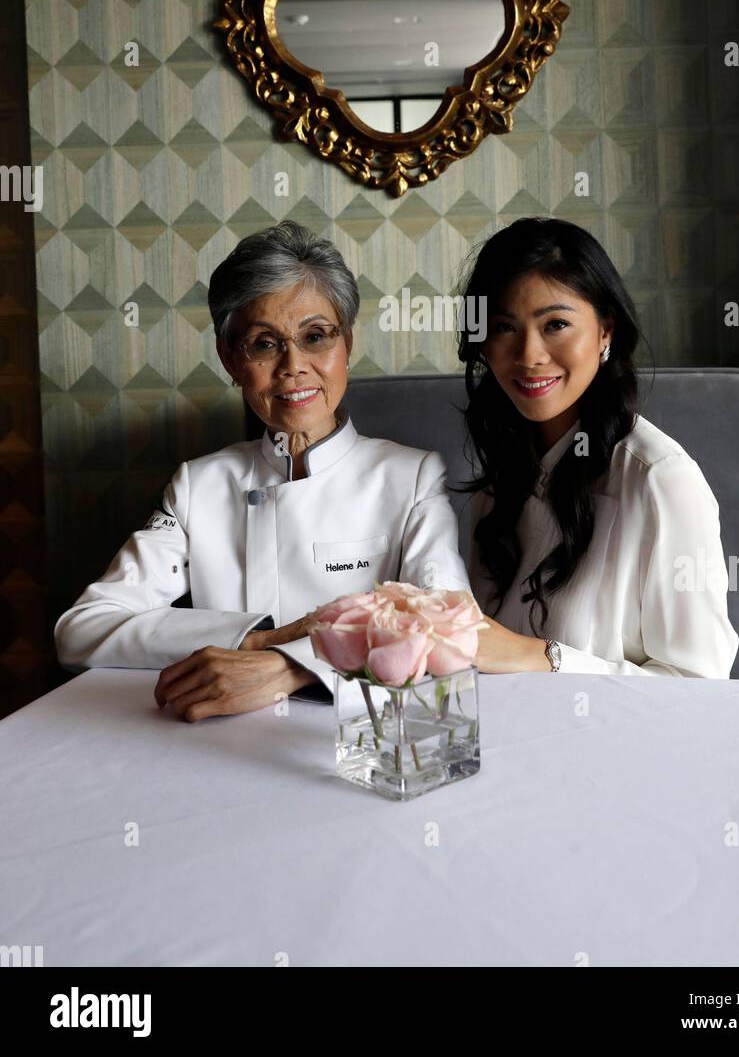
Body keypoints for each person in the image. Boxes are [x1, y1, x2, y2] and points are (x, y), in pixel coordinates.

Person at [53, 221, 469, 719]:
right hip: (217, 737)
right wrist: (254, 639)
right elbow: (81, 629)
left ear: (347, 345)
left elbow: (447, 632)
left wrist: (289, 665)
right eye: (264, 344)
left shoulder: (413, 476)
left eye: (316, 336)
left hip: (354, 738)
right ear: (230, 358)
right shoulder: (197, 486)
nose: (293, 365)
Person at [456, 216, 739, 679]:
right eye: (505, 327)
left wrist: (548, 658)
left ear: (605, 330)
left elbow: (700, 688)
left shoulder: (661, 481)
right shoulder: (499, 480)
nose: (529, 355)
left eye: (556, 324)